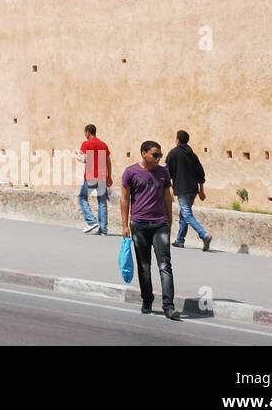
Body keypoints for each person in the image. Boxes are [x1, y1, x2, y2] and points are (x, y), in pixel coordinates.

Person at [121, 140, 180, 320]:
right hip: (139, 225)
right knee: (144, 267)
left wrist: (169, 222)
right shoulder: (130, 172)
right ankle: (147, 302)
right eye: (155, 155)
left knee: (165, 265)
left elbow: (167, 198)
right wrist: (124, 225)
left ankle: (169, 306)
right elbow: (124, 199)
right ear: (143, 153)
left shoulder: (163, 173)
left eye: (160, 155)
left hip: (160, 224)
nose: (158, 158)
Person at [166, 130, 211, 251]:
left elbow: (166, 171)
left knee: (187, 214)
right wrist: (201, 190)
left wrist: (165, 185)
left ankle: (204, 234)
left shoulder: (173, 153)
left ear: (177, 140)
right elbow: (201, 173)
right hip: (193, 189)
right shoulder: (192, 155)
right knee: (184, 214)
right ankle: (180, 240)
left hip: (182, 189)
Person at [77, 124, 113, 235]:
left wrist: (78, 156)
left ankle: (91, 221)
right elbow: (108, 161)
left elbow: (84, 159)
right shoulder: (103, 144)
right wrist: (109, 176)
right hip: (102, 177)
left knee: (82, 198)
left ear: (88, 132)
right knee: (102, 202)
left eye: (85, 132)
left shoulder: (86, 144)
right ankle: (103, 230)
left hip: (90, 176)